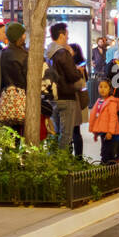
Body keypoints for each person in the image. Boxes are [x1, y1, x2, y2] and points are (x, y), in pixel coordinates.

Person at [47, 23, 84, 152]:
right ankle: (62, 165)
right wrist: (78, 71)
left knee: (54, 133)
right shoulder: (63, 53)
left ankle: (53, 161)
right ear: (61, 35)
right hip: (66, 97)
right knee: (66, 134)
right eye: (67, 35)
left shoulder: (48, 53)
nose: (68, 38)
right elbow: (72, 75)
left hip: (52, 97)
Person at [0, 23, 29, 131]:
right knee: (21, 132)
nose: (25, 36)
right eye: (23, 34)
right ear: (18, 37)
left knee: (8, 132)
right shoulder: (24, 55)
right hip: (21, 98)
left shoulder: (2, 53)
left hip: (6, 97)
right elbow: (26, 79)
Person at [89, 78, 119, 164]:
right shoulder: (99, 101)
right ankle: (107, 167)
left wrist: (110, 132)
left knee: (107, 151)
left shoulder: (111, 102)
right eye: (100, 87)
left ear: (110, 89)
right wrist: (95, 131)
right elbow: (96, 117)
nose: (102, 89)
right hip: (103, 131)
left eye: (105, 87)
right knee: (105, 150)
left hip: (109, 132)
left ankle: (105, 167)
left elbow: (113, 118)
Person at [69, 42, 89, 158]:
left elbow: (81, 84)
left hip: (76, 101)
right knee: (75, 131)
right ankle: (78, 157)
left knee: (74, 131)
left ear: (75, 52)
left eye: (70, 50)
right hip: (79, 101)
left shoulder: (78, 66)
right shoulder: (81, 65)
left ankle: (77, 157)